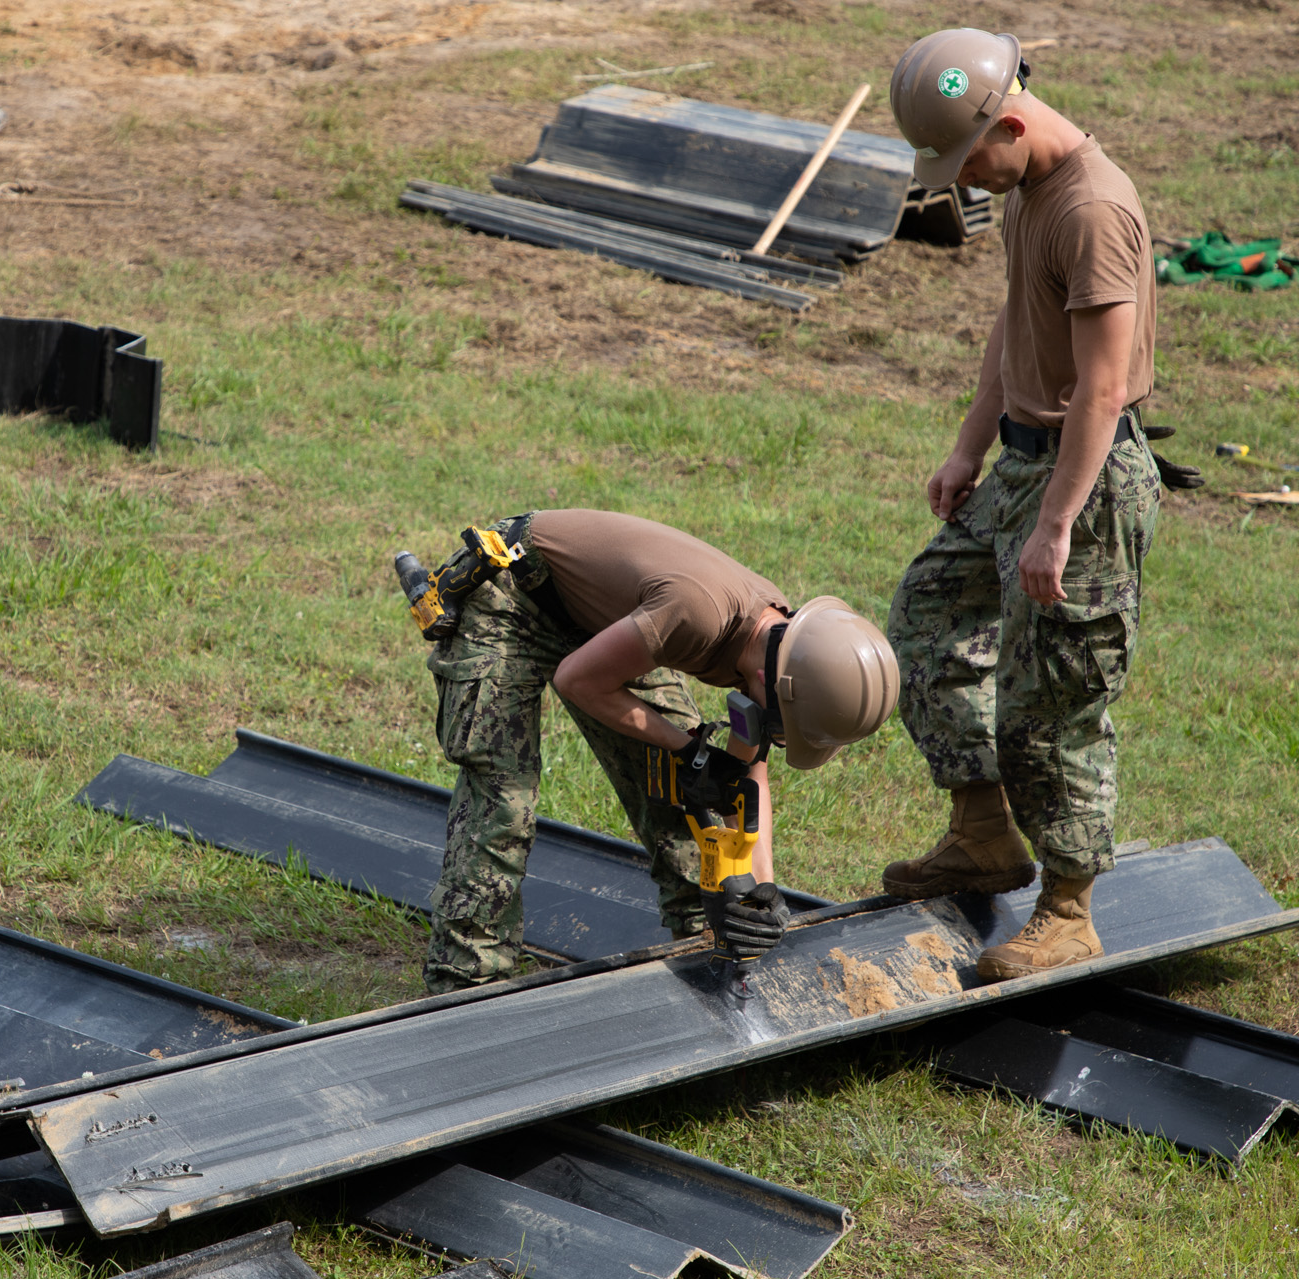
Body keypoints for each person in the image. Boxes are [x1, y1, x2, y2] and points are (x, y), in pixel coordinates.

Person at [882, 31, 1163, 981]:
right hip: (1020, 462)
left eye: (967, 162)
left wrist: (1054, 524)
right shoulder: (1028, 190)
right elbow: (1015, 322)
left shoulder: (1092, 208)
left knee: (1054, 701)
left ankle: (1068, 908)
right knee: (927, 613)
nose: (964, 181)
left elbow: (1101, 388)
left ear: (1008, 122)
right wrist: (970, 447)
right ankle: (984, 834)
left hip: (1083, 479)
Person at [415, 509, 898, 995]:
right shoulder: (698, 615)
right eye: (785, 723)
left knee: (685, 795)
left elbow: (744, 775)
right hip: (512, 594)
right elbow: (578, 680)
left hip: (611, 621)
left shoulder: (784, 649)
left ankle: (707, 947)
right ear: (773, 683)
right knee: (503, 805)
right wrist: (689, 749)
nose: (779, 732)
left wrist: (760, 894)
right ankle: (463, 987)